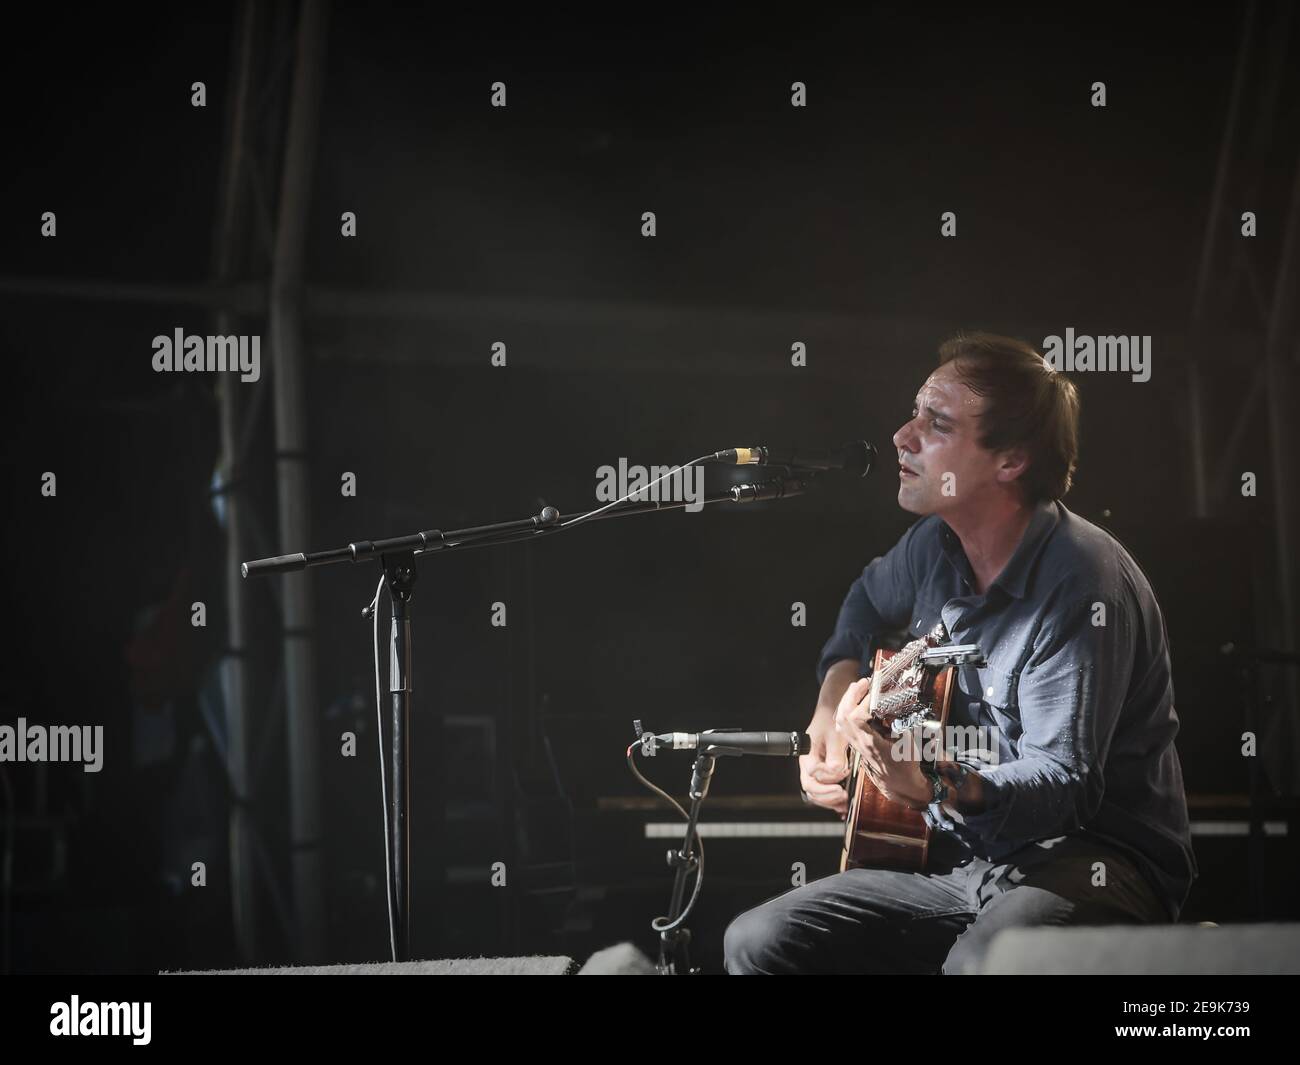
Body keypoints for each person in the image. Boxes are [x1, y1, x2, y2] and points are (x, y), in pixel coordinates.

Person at [723, 331, 1198, 974]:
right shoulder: (928, 548)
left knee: (987, 964)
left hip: (1093, 862)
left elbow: (1065, 784)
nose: (902, 435)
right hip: (957, 861)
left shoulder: (1084, 584)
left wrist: (932, 780)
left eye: (936, 424)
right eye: (915, 412)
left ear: (1010, 461)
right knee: (759, 941)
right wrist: (830, 706)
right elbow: (864, 605)